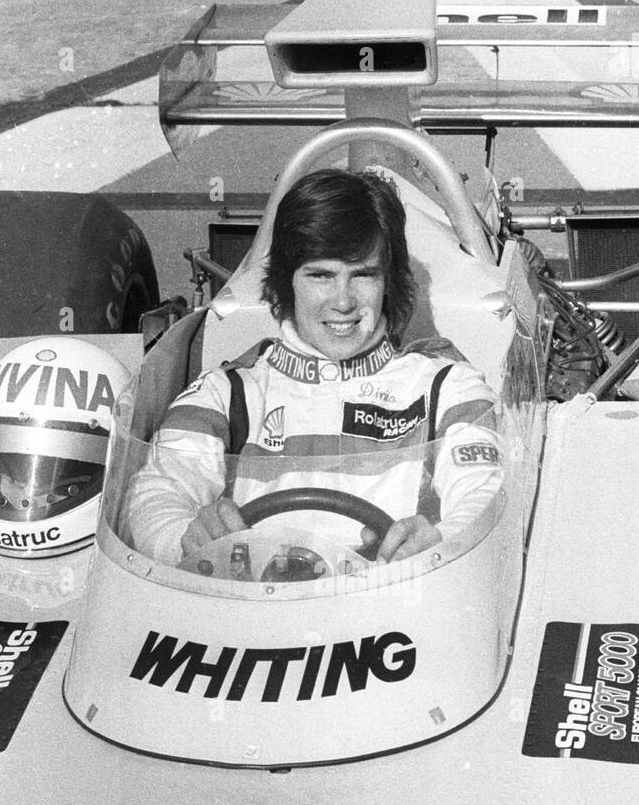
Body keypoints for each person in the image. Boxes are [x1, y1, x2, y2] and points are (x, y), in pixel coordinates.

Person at [126, 168, 503, 571]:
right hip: (251, 620)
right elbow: (157, 492)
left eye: (363, 275)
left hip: (393, 614)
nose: (343, 301)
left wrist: (442, 542)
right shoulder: (225, 392)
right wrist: (185, 541)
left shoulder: (447, 386)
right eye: (321, 275)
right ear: (286, 282)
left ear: (388, 282)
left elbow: (485, 493)